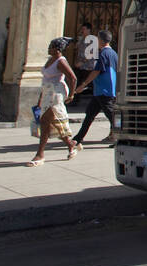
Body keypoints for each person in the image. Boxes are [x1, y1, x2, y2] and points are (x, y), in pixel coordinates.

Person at [27, 38, 79, 166]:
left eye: (51, 46)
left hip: (55, 94)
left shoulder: (61, 61)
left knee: (45, 122)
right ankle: (71, 144)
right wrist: (40, 98)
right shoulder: (50, 59)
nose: (48, 48)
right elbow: (45, 79)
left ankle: (40, 154)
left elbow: (72, 78)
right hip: (47, 93)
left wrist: (71, 94)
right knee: (54, 124)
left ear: (57, 49)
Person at [73, 30, 119, 145]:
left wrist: (83, 85)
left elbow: (97, 71)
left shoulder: (103, 53)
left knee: (112, 117)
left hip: (104, 90)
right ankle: (78, 138)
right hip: (104, 90)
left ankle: (120, 137)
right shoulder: (113, 53)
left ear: (101, 40)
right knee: (90, 114)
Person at [71, 22, 97, 106]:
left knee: (90, 83)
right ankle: (74, 99)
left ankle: (96, 100)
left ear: (89, 30)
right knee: (77, 81)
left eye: (84, 29)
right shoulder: (82, 39)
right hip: (81, 66)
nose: (82, 31)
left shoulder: (92, 39)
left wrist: (82, 62)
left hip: (88, 66)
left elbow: (91, 53)